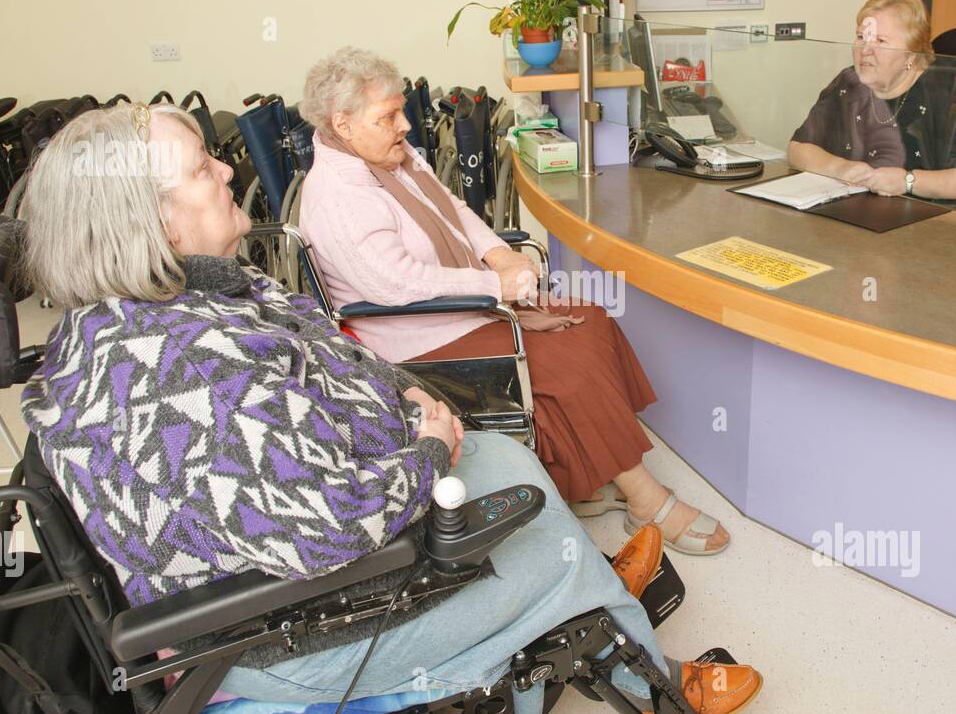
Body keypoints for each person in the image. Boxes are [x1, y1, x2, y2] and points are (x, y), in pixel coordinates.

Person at [16, 103, 762, 714]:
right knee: (535, 531)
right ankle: (645, 673)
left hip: (321, 525)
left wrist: (398, 396)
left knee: (507, 465)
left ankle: (596, 588)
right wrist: (428, 452)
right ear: (148, 222)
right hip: (288, 633)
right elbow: (328, 528)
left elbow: (310, 371)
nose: (225, 170)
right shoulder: (184, 370)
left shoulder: (174, 302)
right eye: (199, 170)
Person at [298, 48, 731, 557]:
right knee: (569, 367)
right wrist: (497, 289)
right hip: (420, 333)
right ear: (342, 125)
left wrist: (500, 256)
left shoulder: (390, 156)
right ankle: (645, 497)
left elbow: (456, 210)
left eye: (400, 111)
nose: (406, 127)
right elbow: (397, 286)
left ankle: (592, 471)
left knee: (588, 320)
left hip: (461, 305)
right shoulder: (339, 198)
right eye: (388, 117)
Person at [789, 0, 956, 201]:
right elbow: (798, 148)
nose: (865, 49)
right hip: (861, 212)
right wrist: (840, 168)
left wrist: (908, 181)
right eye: (861, 37)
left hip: (939, 221)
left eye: (880, 41)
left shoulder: (955, 91)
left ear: (912, 53)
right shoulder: (850, 82)